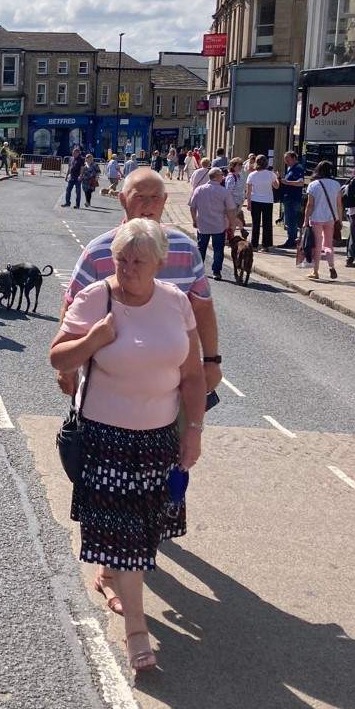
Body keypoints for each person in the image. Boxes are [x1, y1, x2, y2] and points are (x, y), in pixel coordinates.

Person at [56, 168, 221, 616]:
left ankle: (138, 545)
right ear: (122, 201)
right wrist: (68, 368)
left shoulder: (184, 249)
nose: (148, 203)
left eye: (155, 196)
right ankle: (115, 572)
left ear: (165, 201)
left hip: (173, 380)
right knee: (119, 491)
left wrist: (211, 362)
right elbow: (72, 306)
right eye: (139, 196)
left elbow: (202, 307)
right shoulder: (100, 250)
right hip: (113, 392)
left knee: (170, 472)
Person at [50, 218, 203, 677]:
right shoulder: (97, 297)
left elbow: (192, 375)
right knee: (131, 540)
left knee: (143, 529)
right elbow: (57, 356)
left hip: (159, 439)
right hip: (107, 440)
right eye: (121, 259)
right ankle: (137, 635)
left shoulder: (177, 303)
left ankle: (110, 573)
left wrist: (192, 429)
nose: (128, 268)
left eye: (138, 261)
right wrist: (94, 338)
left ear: (160, 262)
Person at [190, 168, 237, 281]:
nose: (223, 177)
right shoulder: (224, 192)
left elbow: (192, 207)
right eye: (221, 175)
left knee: (201, 248)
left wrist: (194, 220)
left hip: (203, 225)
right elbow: (231, 210)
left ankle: (199, 271)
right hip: (218, 225)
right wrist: (232, 224)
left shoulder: (199, 190)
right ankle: (216, 272)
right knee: (218, 249)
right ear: (217, 177)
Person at [301, 160, 344, 280]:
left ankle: (315, 271)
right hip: (330, 218)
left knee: (317, 246)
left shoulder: (313, 185)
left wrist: (305, 220)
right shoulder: (336, 185)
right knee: (328, 245)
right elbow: (339, 204)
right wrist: (339, 219)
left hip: (316, 218)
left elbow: (309, 205)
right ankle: (331, 266)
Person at [245, 153, 280, 251]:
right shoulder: (270, 174)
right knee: (267, 223)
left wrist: (248, 203)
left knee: (255, 223)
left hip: (255, 200)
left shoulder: (252, 175)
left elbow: (249, 191)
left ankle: (254, 245)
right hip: (268, 201)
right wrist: (277, 177)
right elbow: (276, 186)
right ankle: (266, 245)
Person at [279, 151, 306, 248]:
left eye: (288, 159)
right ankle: (291, 239)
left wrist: (287, 182)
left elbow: (300, 183)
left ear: (294, 158)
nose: (286, 161)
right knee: (288, 220)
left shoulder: (298, 168)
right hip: (288, 197)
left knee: (292, 220)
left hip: (293, 198)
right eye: (285, 159)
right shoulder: (290, 168)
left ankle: (292, 240)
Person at [345, 164, 355, 268]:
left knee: (352, 234)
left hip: (351, 211)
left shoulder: (352, 178)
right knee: (354, 234)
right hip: (354, 211)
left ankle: (349, 257)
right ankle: (350, 258)